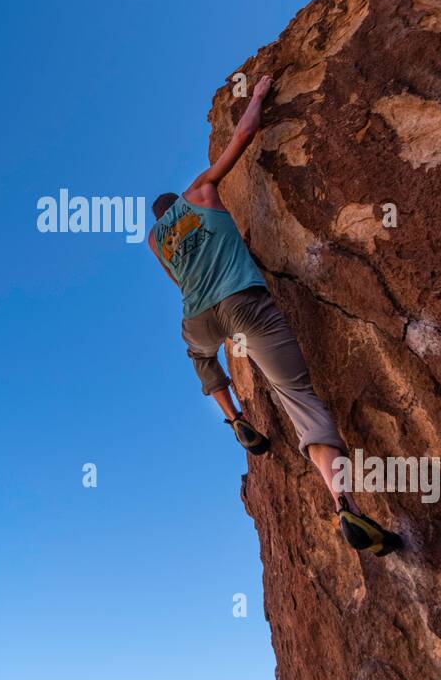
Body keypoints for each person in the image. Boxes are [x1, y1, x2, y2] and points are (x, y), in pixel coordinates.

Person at [148, 74, 401, 557]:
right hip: (241, 301)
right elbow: (242, 137)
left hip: (198, 317)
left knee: (200, 358)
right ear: (177, 198)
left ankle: (235, 418)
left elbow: (178, 283)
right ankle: (344, 500)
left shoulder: (156, 240)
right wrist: (260, 96)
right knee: (299, 399)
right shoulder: (199, 191)